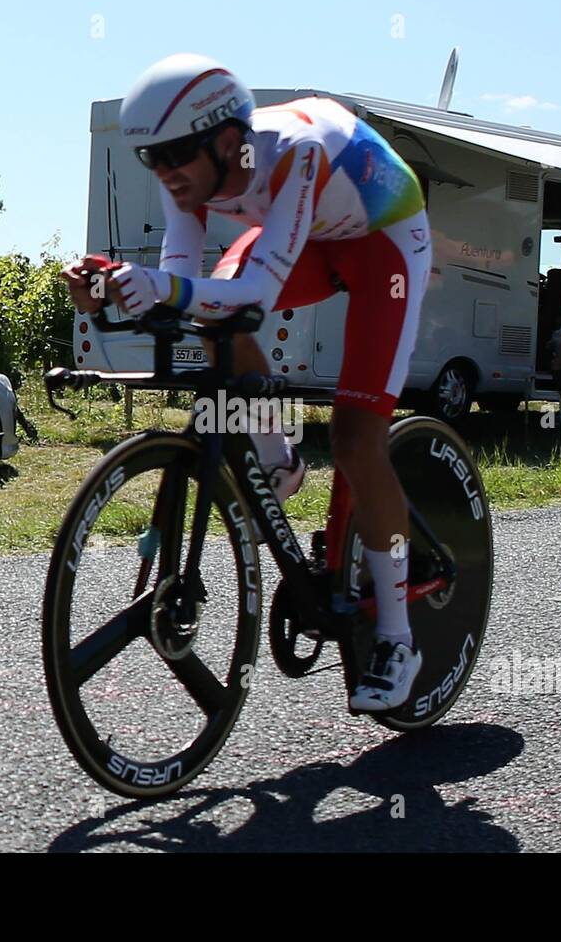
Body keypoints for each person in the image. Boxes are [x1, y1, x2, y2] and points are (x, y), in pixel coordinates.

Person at [59, 54, 431, 712]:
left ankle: (398, 641)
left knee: (355, 441)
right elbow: (182, 283)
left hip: (384, 245)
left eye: (175, 154)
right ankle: (271, 458)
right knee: (213, 308)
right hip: (314, 238)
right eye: (151, 159)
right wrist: (113, 288)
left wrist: (165, 288)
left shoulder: (295, 153)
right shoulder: (195, 180)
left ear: (228, 141)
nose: (165, 174)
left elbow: (256, 289)